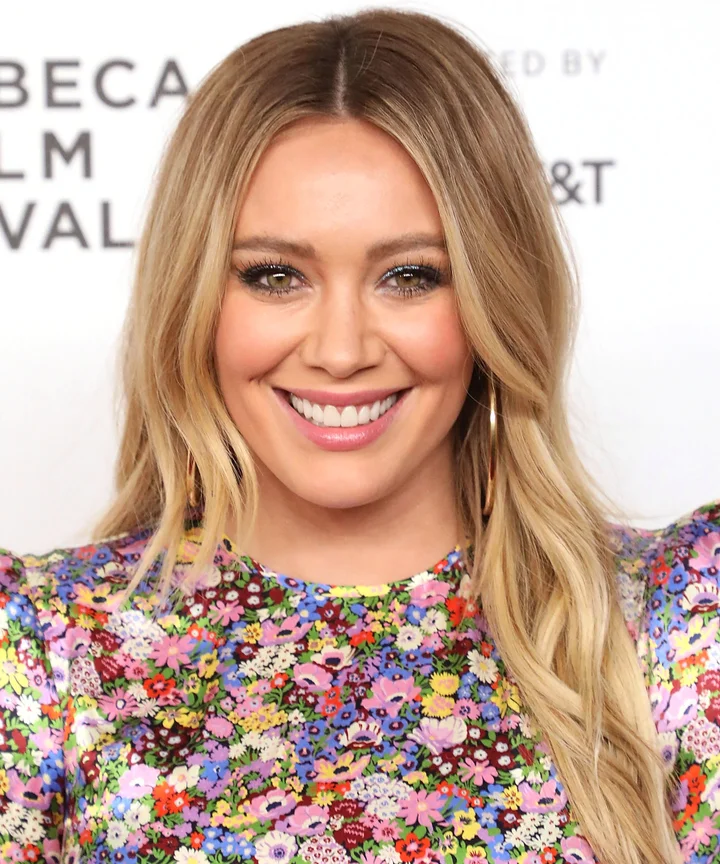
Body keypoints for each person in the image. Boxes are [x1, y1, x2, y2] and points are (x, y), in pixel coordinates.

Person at [0, 8, 718, 864]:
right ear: (192, 298)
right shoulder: (41, 648)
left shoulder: (675, 622)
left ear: (494, 296)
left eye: (409, 276)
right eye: (276, 276)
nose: (341, 352)